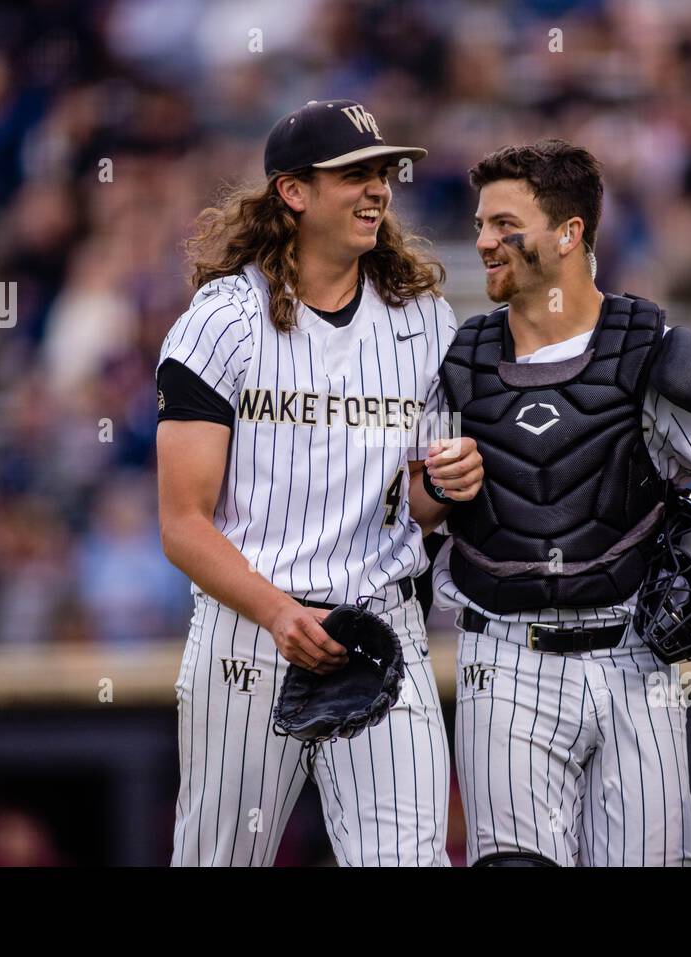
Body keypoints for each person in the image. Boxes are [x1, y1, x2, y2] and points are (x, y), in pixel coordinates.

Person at [436, 139, 691, 866]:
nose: (483, 242)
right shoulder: (459, 359)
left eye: (503, 223)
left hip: (634, 658)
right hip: (501, 659)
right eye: (479, 224)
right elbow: (409, 509)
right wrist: (435, 487)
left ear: (569, 234)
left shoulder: (650, 349)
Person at [156, 100, 483, 866]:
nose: (378, 189)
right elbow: (181, 522)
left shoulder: (424, 321)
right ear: (294, 192)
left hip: (379, 628)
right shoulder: (222, 319)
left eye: (383, 173)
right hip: (249, 631)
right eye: (354, 175)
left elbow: (420, 503)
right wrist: (276, 612)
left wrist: (452, 480)